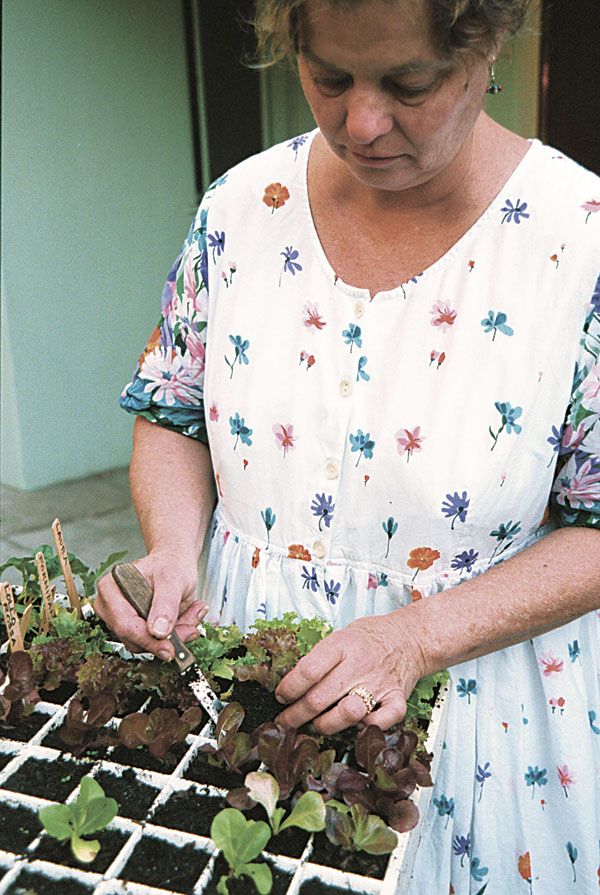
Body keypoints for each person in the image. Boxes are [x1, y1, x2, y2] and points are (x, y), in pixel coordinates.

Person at [96, 0, 600, 889]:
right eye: (328, 77)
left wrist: (414, 636)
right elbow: (174, 412)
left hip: (483, 727)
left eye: (409, 83)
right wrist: (173, 549)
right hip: (252, 702)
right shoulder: (242, 210)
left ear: (484, 50)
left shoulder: (579, 239)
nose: (361, 124)